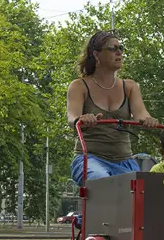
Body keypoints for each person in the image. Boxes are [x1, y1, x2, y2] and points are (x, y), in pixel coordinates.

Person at [67, 30, 158, 185]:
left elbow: (141, 114)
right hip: (90, 159)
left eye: (121, 48)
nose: (119, 53)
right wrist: (81, 119)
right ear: (96, 55)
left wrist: (148, 120)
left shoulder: (130, 86)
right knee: (102, 181)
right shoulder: (79, 86)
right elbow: (72, 118)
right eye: (113, 48)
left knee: (141, 192)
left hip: (124, 161)